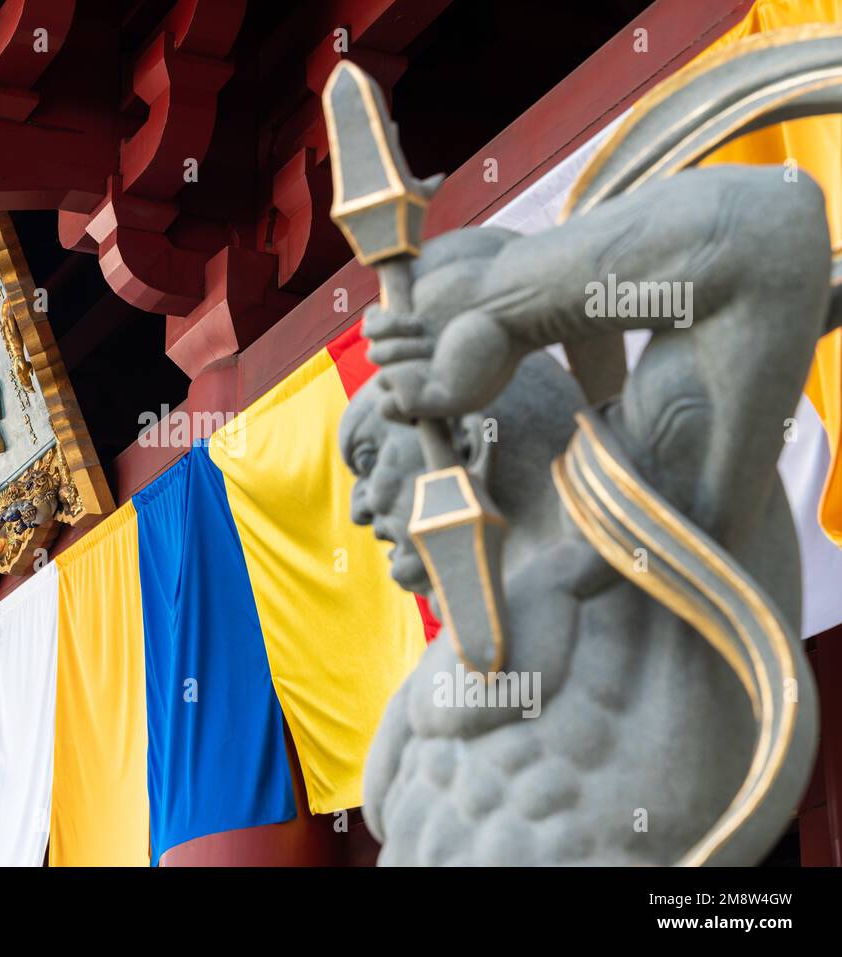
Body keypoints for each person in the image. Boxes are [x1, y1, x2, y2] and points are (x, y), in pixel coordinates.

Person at [348, 164, 829, 865]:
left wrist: (497, 300)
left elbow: (770, 224)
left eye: (365, 457)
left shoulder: (650, 505)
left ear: (457, 435)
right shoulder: (416, 705)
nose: (359, 509)